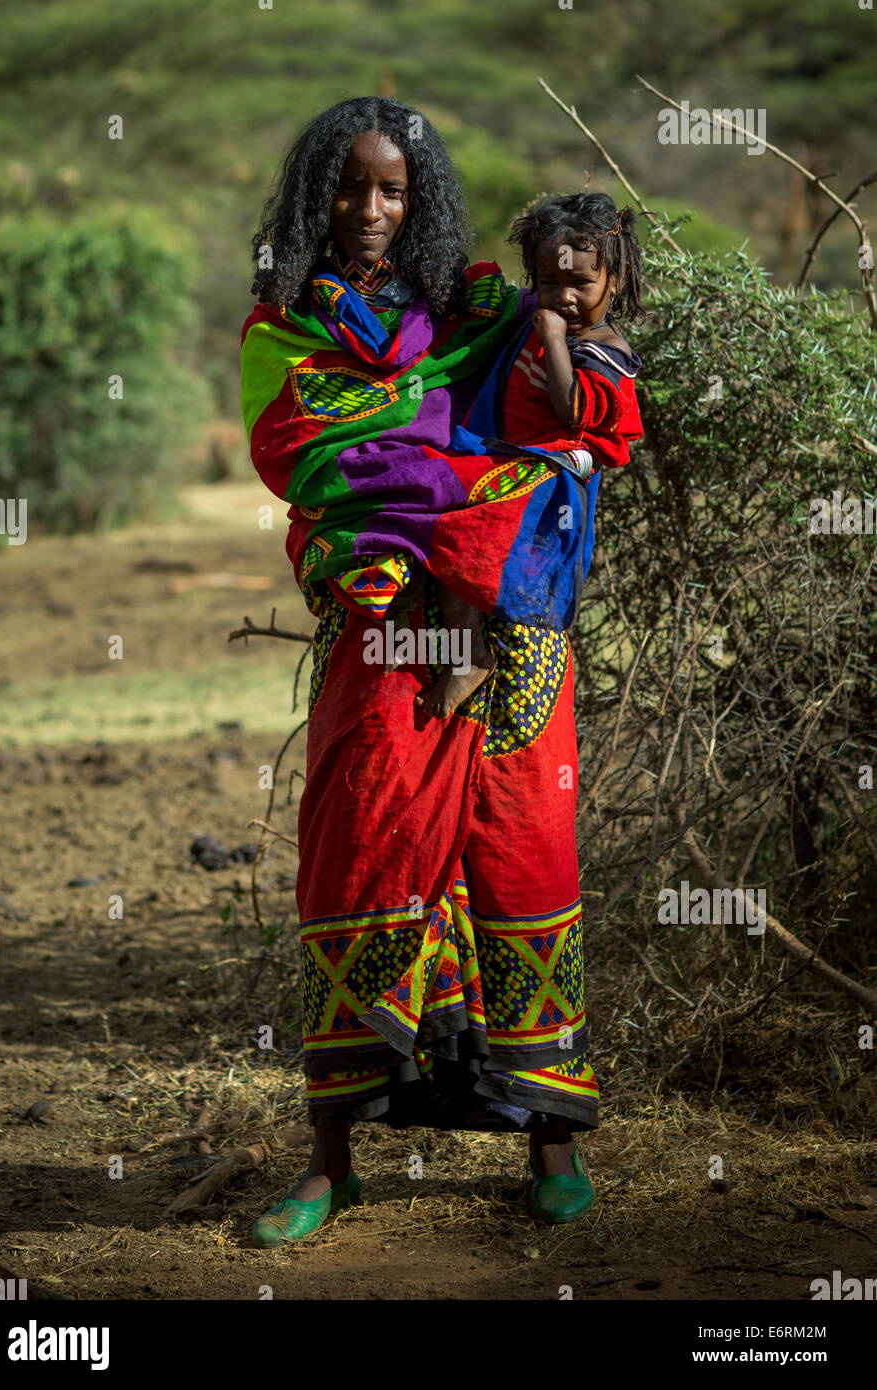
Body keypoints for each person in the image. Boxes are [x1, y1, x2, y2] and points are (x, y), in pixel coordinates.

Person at [241, 98, 621, 1248]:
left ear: (424, 199)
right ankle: (333, 1158)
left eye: (393, 189)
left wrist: (475, 514)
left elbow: (577, 433)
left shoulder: (482, 310)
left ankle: (548, 1141)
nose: (369, 210)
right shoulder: (283, 332)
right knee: (355, 843)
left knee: (517, 847)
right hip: (386, 625)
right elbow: (309, 463)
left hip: (504, 628)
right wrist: (429, 510)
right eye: (349, 188)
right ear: (317, 197)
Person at [417, 192, 645, 719]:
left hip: (548, 483)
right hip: (507, 461)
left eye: (580, 284)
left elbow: (571, 410)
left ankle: (469, 657)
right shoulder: (542, 322)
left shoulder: (604, 352)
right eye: (549, 283)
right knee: (433, 504)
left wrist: (553, 338)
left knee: (455, 530)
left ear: (617, 282)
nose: (564, 297)